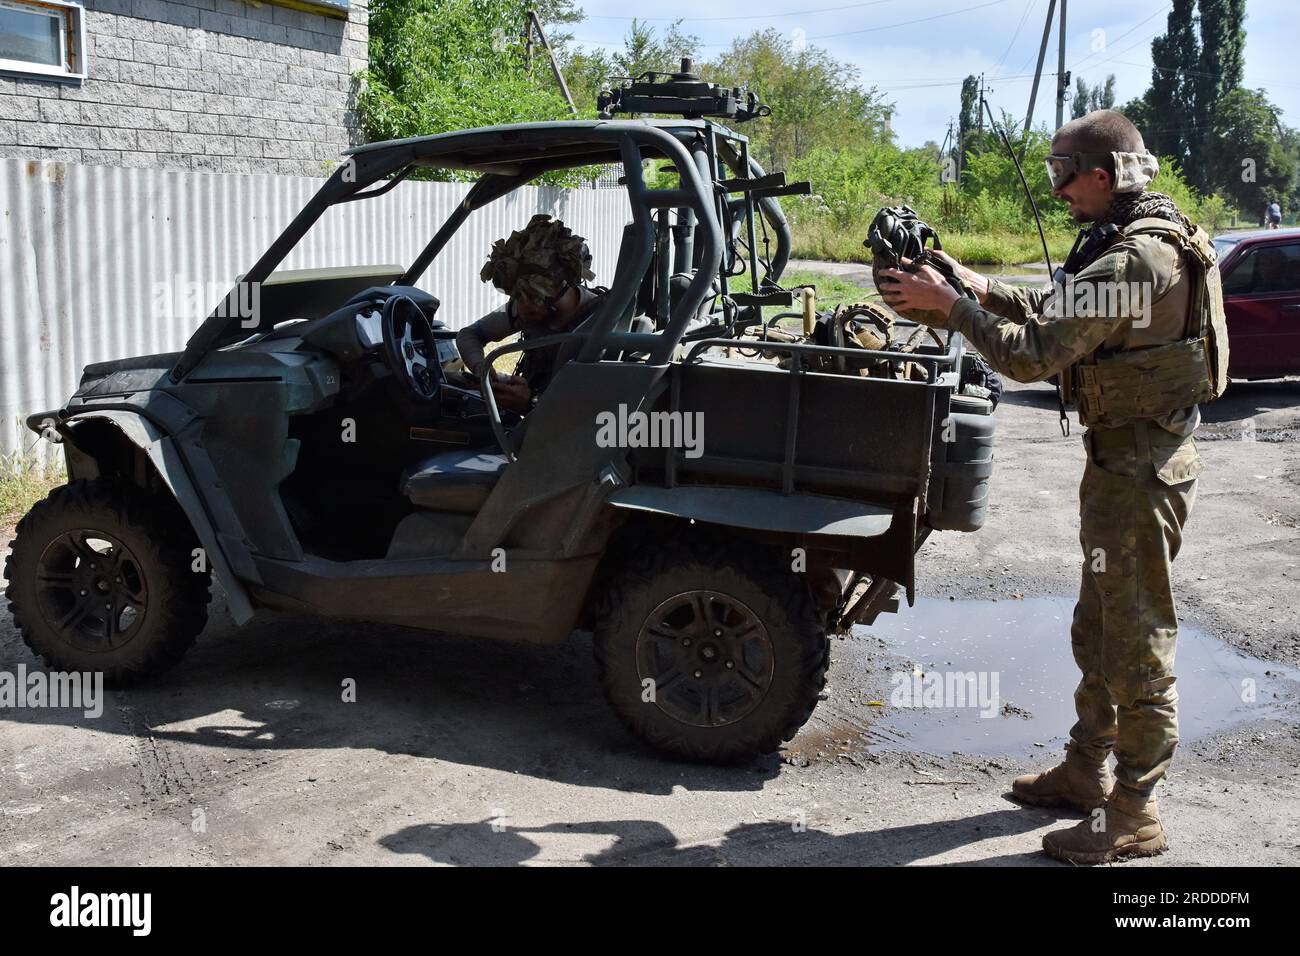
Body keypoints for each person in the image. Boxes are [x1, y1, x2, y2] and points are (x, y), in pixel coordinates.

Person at [877, 109, 1227, 865]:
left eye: (1062, 175)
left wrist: (952, 310)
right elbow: (1054, 313)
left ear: (1102, 177)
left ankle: (1134, 812)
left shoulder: (1139, 261)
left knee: (1136, 641)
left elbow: (1034, 356)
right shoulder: (1129, 238)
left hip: (1142, 472)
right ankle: (1085, 770)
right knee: (1098, 625)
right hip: (1122, 463)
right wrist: (967, 281)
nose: (1058, 191)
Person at [457, 214, 600, 414]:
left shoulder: (600, 323)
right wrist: (483, 371)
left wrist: (530, 403)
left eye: (531, 295)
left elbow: (591, 414)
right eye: (517, 296)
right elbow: (469, 335)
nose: (522, 307)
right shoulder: (526, 310)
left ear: (557, 287)